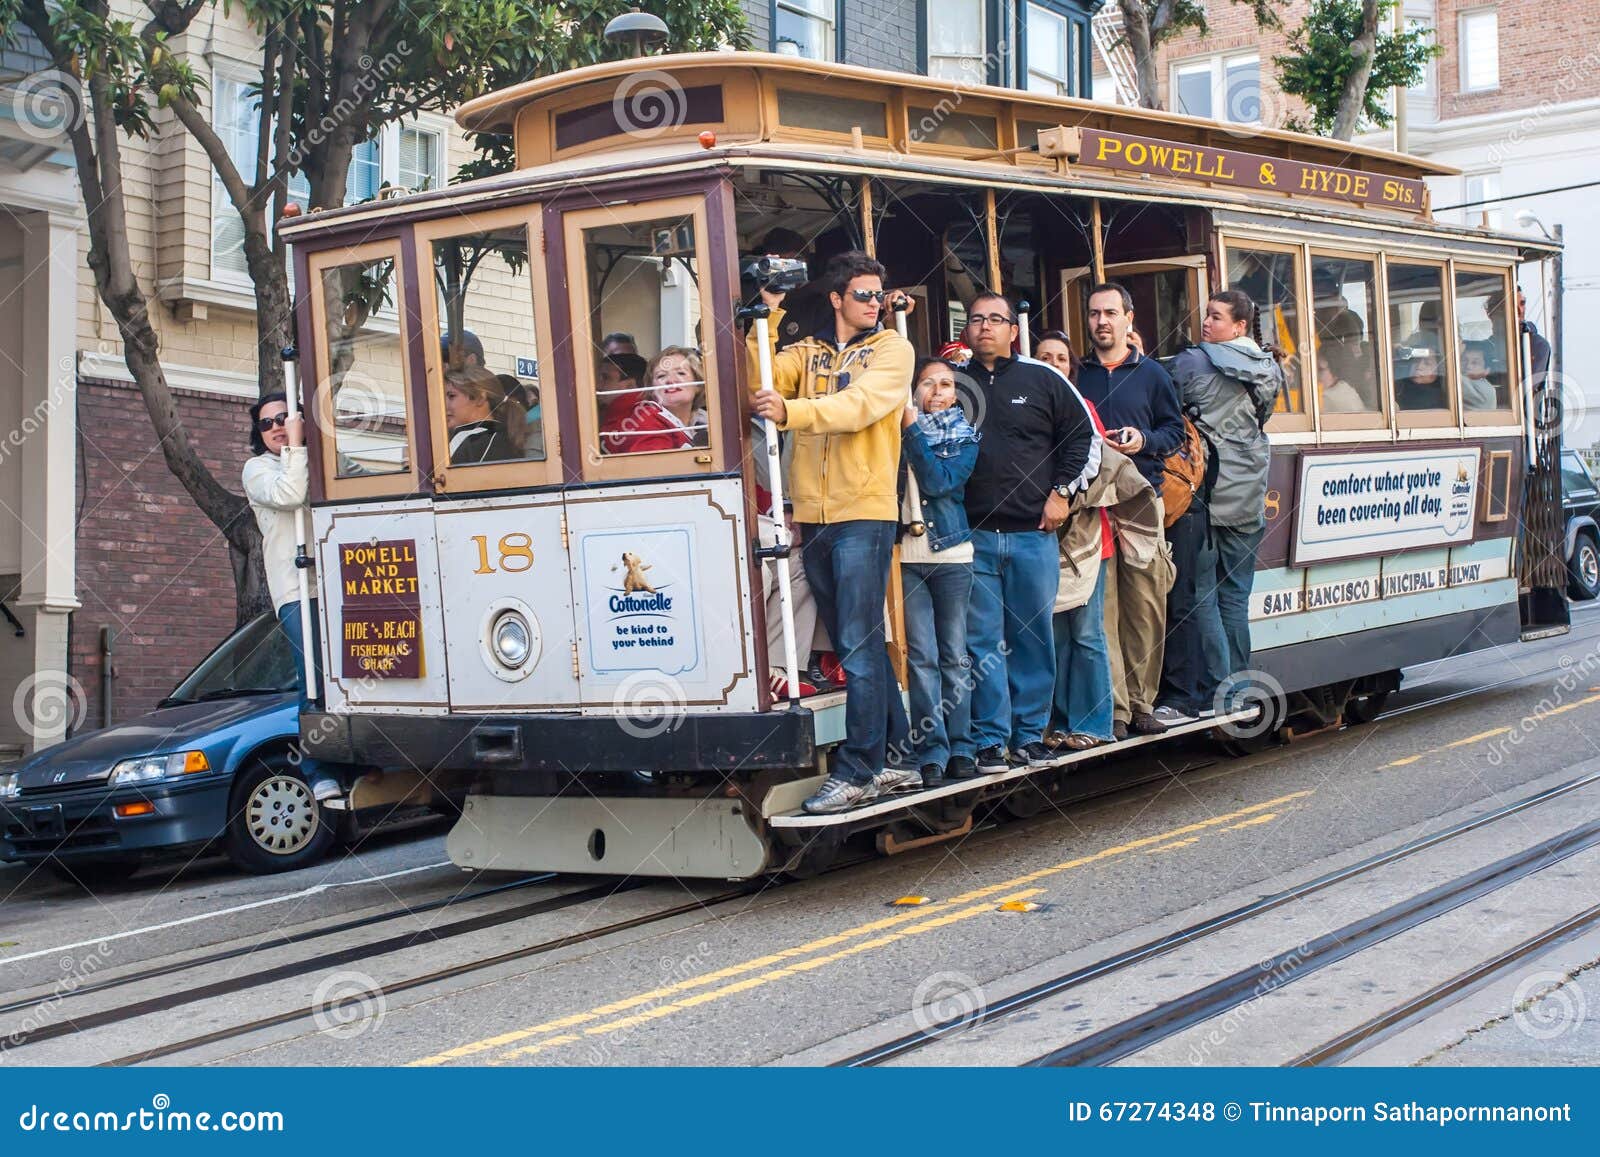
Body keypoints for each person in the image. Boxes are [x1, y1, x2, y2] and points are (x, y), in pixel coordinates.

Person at [749, 251, 917, 814]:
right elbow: (762, 377)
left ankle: (859, 769)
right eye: (864, 295)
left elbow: (860, 406)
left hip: (864, 512)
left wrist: (791, 413)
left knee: (858, 642)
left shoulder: (893, 348)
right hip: (816, 515)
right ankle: (897, 757)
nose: (875, 304)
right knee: (860, 640)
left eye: (879, 295)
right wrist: (767, 311)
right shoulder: (809, 350)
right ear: (836, 299)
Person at [960, 291, 1099, 772]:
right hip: (973, 535)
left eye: (995, 320)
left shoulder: (1042, 379)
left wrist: (1062, 492)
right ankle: (989, 741)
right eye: (976, 320)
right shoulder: (955, 383)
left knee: (1031, 637)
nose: (985, 328)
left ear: (1013, 330)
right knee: (980, 643)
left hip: (1031, 535)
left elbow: (1082, 437)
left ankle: (1028, 735)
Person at [1074, 283, 1183, 738]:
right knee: (1103, 610)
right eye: (1095, 313)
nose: (1102, 321)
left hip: (1142, 502)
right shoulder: (1077, 377)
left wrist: (1145, 441)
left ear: (1129, 318)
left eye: (1111, 313)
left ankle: (1142, 703)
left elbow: (1175, 430)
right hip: (1093, 507)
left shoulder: (1152, 373)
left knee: (1144, 607)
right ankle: (1115, 712)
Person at [1167, 288, 1284, 714]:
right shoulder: (1268, 367)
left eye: (1216, 317)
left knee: (1203, 596)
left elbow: (1168, 406)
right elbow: (1261, 418)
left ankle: (1217, 689)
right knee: (1235, 597)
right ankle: (1238, 689)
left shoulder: (1193, 360)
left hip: (1208, 493)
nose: (1206, 323)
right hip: (1250, 490)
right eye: (1207, 315)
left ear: (1238, 326)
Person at [899, 357, 982, 785]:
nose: (936, 391)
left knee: (954, 656)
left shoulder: (964, 438)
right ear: (913, 390)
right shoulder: (891, 435)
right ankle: (931, 749)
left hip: (950, 555)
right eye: (927, 383)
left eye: (945, 384)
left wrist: (912, 431)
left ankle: (962, 746)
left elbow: (937, 483)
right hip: (906, 557)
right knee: (922, 659)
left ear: (956, 393)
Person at [242, 394, 319, 710]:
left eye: (283, 418)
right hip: (295, 588)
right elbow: (289, 494)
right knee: (314, 683)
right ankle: (315, 759)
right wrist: (296, 447)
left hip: (338, 582)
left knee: (347, 679)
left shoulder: (317, 459)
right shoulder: (256, 468)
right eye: (266, 423)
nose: (275, 427)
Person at [602, 347, 708, 454]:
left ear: (698, 385)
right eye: (661, 376)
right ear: (652, 390)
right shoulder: (645, 423)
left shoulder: (708, 421)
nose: (670, 380)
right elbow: (655, 467)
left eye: (681, 373)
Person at [445, 365, 525, 465]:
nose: (444, 404)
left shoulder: (472, 440)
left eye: (451, 396)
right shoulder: (502, 437)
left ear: (480, 398)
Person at [596, 352, 650, 450]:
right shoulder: (644, 413)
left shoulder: (639, 420)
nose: (598, 385)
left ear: (630, 385)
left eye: (606, 378)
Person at [1395, 344, 1447, 410]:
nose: (1419, 367)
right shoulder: (1396, 388)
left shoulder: (1445, 398)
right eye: (1416, 361)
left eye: (1427, 363)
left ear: (1438, 370)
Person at [1460, 345, 1498, 410]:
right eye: (1464, 361)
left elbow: (1452, 377)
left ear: (1486, 370)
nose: (1468, 366)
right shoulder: (1469, 381)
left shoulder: (1487, 390)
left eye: (1475, 363)